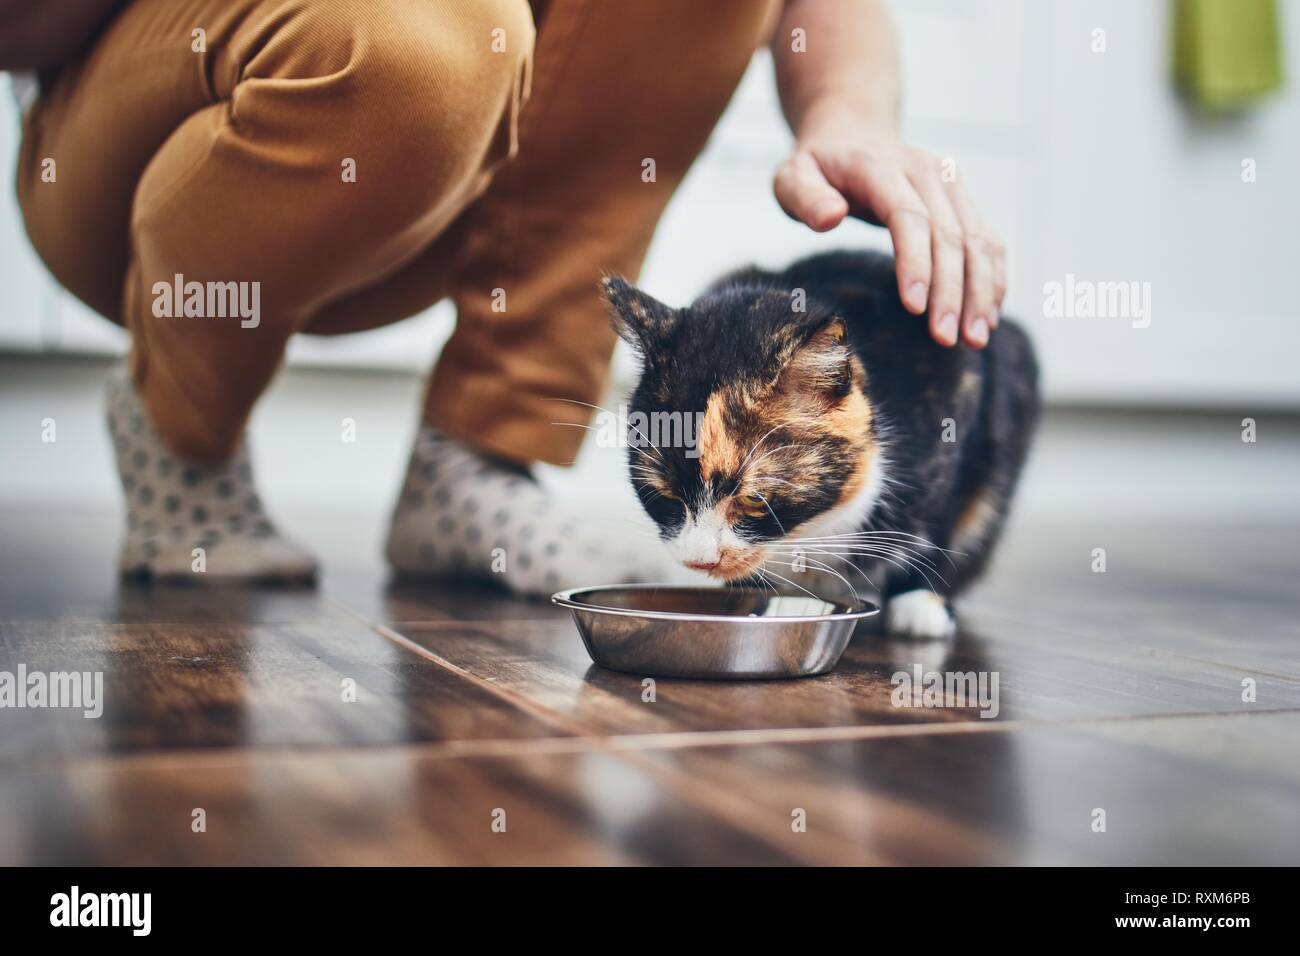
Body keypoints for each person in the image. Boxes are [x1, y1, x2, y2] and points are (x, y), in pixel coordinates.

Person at [5, 0, 1007, 593]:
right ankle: (183, 427)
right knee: (430, 37)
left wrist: (846, 117)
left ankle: (476, 454)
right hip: (151, 152)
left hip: (438, 184)